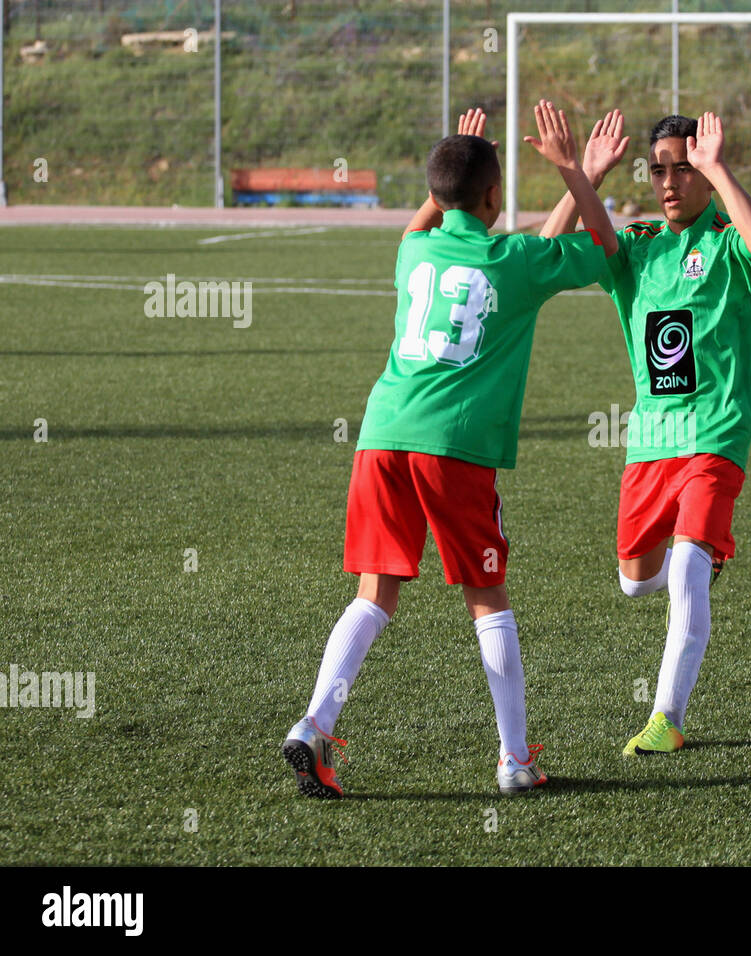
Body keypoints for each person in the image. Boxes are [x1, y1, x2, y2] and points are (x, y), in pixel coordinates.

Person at [282, 103, 619, 797]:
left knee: (374, 595)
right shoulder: (516, 259)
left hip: (382, 435)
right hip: (454, 444)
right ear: (496, 196)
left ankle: (315, 725)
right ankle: (516, 759)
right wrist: (575, 171)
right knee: (487, 596)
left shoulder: (416, 249)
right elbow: (607, 249)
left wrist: (462, 164)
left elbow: (455, 221)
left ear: (435, 197)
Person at [541, 112, 751, 756]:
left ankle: (666, 719)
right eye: (659, 169)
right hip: (652, 441)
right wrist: (581, 173)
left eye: (683, 167)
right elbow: (546, 249)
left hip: (715, 434)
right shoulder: (638, 247)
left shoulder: (730, 239)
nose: (670, 181)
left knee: (683, 573)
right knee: (634, 580)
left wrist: (717, 166)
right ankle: (701, 564)